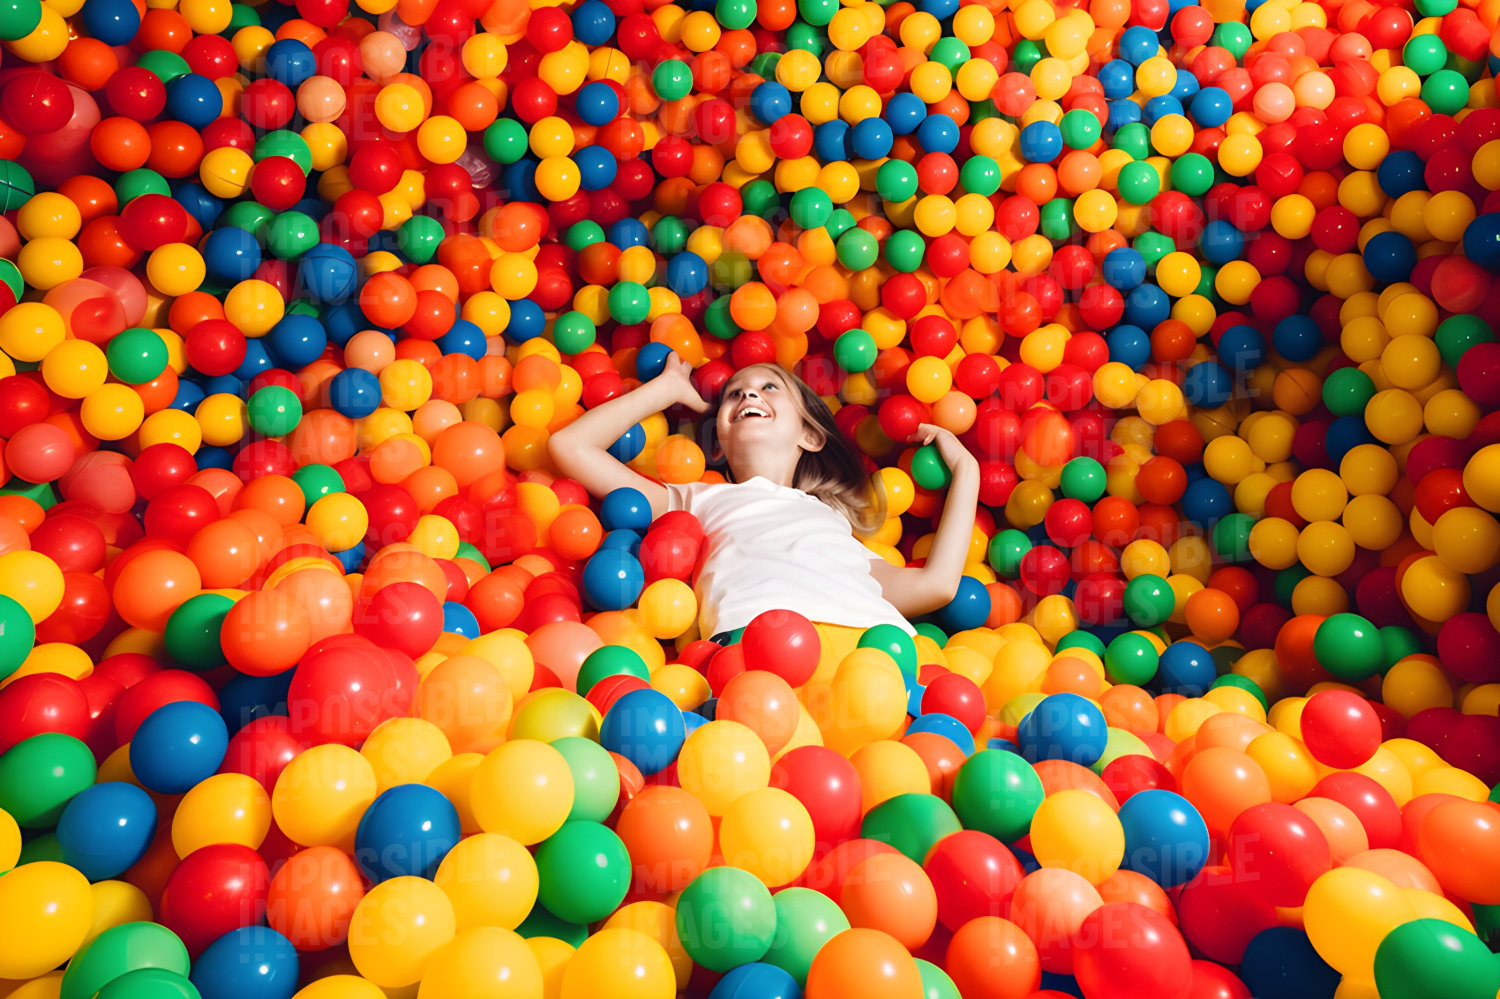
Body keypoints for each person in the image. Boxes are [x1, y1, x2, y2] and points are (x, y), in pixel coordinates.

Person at [549, 354, 981, 640]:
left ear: (810, 436)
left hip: (874, 648)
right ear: (718, 443)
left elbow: (936, 585)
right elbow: (571, 447)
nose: (749, 394)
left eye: (769, 387)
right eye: (734, 394)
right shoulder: (696, 501)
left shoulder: (835, 528)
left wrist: (967, 471)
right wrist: (666, 390)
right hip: (755, 651)